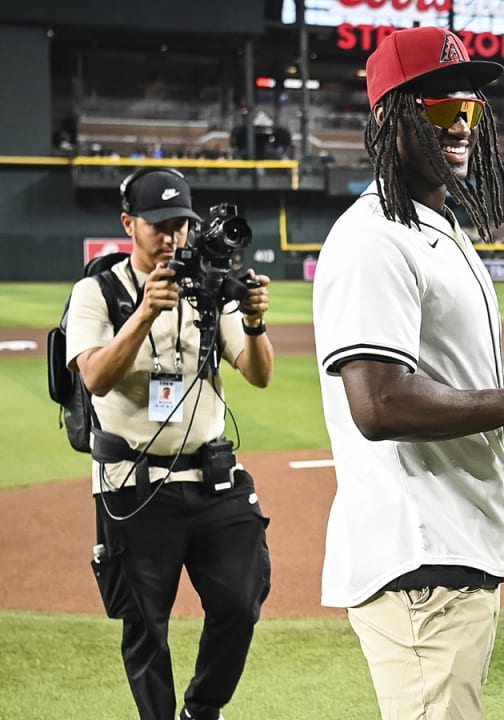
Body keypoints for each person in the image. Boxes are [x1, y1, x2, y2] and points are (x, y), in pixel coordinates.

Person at [311, 26, 504, 720]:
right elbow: (380, 403)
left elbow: (447, 383)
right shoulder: (372, 238)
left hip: (453, 551)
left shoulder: (437, 229)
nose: (459, 125)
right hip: (418, 559)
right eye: (438, 109)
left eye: (470, 110)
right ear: (387, 120)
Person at [64, 167, 274, 720]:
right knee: (145, 625)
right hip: (133, 487)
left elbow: (258, 374)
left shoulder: (208, 288)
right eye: (158, 224)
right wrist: (144, 312)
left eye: (180, 223)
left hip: (212, 479)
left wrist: (254, 324)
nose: (171, 236)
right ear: (128, 223)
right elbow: (95, 377)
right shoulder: (98, 292)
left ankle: (202, 711)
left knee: (241, 601)